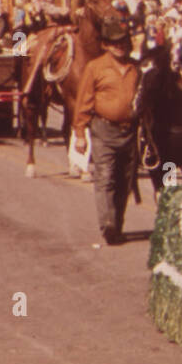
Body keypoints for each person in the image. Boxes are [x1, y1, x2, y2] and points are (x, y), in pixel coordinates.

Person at [72, 18, 140, 247]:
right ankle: (108, 225)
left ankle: (117, 224)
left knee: (124, 181)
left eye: (123, 42)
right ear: (106, 45)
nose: (119, 46)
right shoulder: (95, 67)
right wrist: (80, 133)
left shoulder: (135, 67)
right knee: (105, 178)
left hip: (129, 132)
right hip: (103, 130)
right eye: (114, 42)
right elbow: (84, 100)